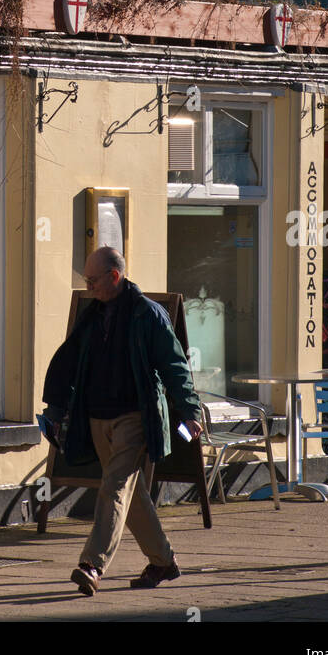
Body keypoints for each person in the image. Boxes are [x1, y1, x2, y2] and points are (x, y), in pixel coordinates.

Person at [42, 246, 203, 596]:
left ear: (114, 276)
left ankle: (92, 564)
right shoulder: (92, 315)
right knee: (133, 495)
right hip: (97, 419)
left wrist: (191, 411)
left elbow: (176, 368)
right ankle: (163, 560)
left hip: (134, 417)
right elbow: (68, 362)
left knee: (114, 487)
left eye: (93, 280)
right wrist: (54, 410)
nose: (88, 287)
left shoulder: (148, 314)